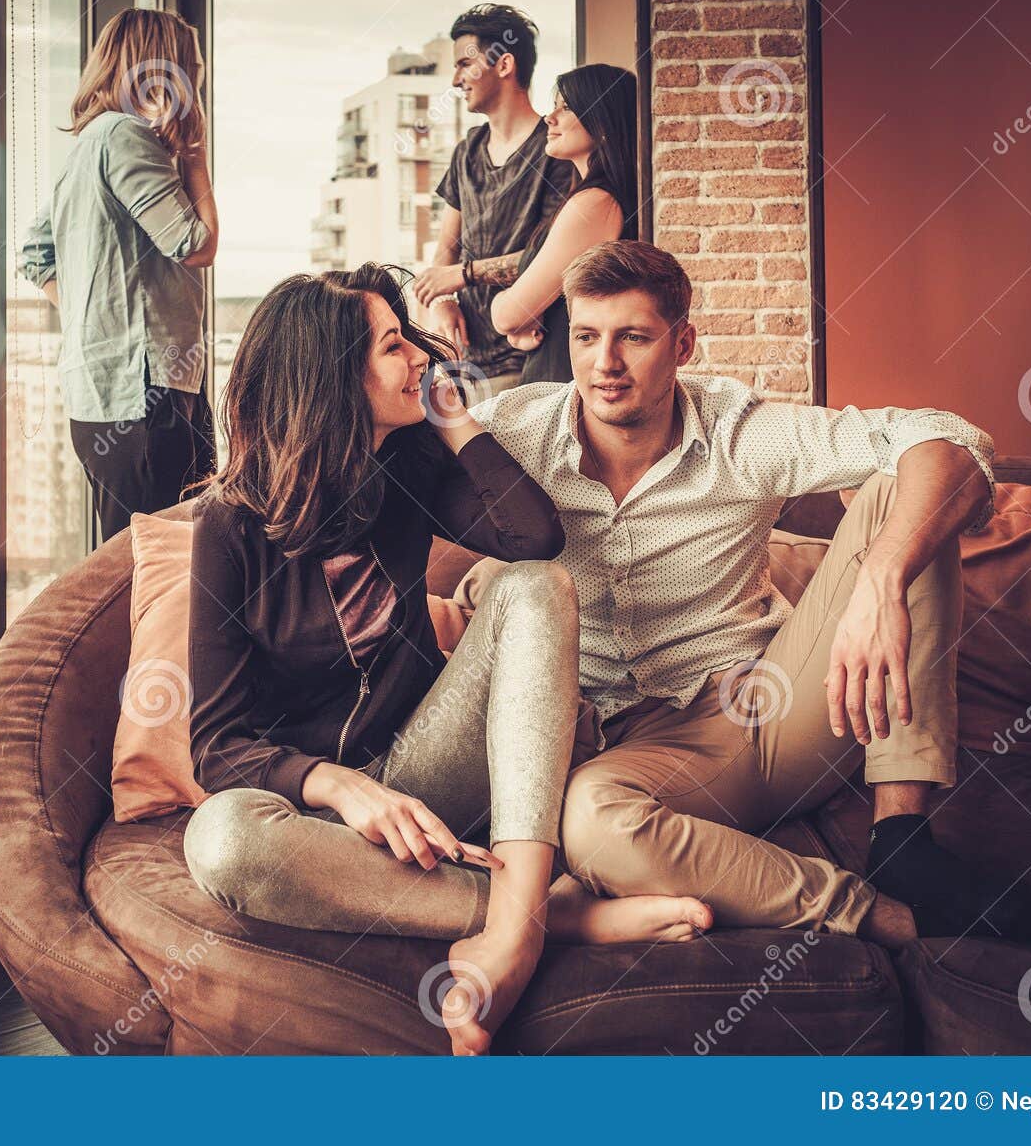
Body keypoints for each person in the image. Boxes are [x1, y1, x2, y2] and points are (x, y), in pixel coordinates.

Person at [465, 239, 1031, 950]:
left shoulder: (742, 434)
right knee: (590, 819)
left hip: (770, 712)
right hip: (630, 755)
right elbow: (396, 471)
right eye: (586, 337)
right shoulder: (515, 431)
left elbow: (949, 439)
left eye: (633, 337)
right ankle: (875, 914)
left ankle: (902, 837)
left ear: (683, 344)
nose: (604, 364)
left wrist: (883, 579)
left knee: (905, 487)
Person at [181, 263, 712, 1057]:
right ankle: (543, 911)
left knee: (534, 588)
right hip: (324, 825)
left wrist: (458, 425)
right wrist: (337, 785)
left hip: (431, 765)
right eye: (394, 347)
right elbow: (215, 744)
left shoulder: (408, 468)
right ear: (332, 378)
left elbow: (534, 541)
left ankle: (515, 921)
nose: (419, 360)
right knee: (221, 840)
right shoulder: (229, 527)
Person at [19, 8, 218, 542]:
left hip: (105, 395)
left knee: (137, 562)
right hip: (145, 393)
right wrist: (195, 153)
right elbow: (196, 244)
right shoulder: (129, 137)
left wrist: (94, 318)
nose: (197, 85)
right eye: (191, 70)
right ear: (160, 70)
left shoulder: (87, 144)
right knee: (167, 566)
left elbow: (35, 254)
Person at [412, 5, 575, 394]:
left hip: (530, 366)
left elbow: (552, 261)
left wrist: (460, 275)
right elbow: (444, 255)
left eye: (465, 64)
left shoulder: (555, 150)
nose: (455, 79)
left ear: (504, 64)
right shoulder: (466, 151)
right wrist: (442, 301)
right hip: (465, 366)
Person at [490, 64, 639, 385]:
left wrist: (505, 307)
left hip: (563, 385)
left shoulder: (595, 204)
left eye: (566, 106)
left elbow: (508, 314)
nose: (550, 117)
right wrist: (523, 321)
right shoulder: (593, 198)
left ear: (602, 121)